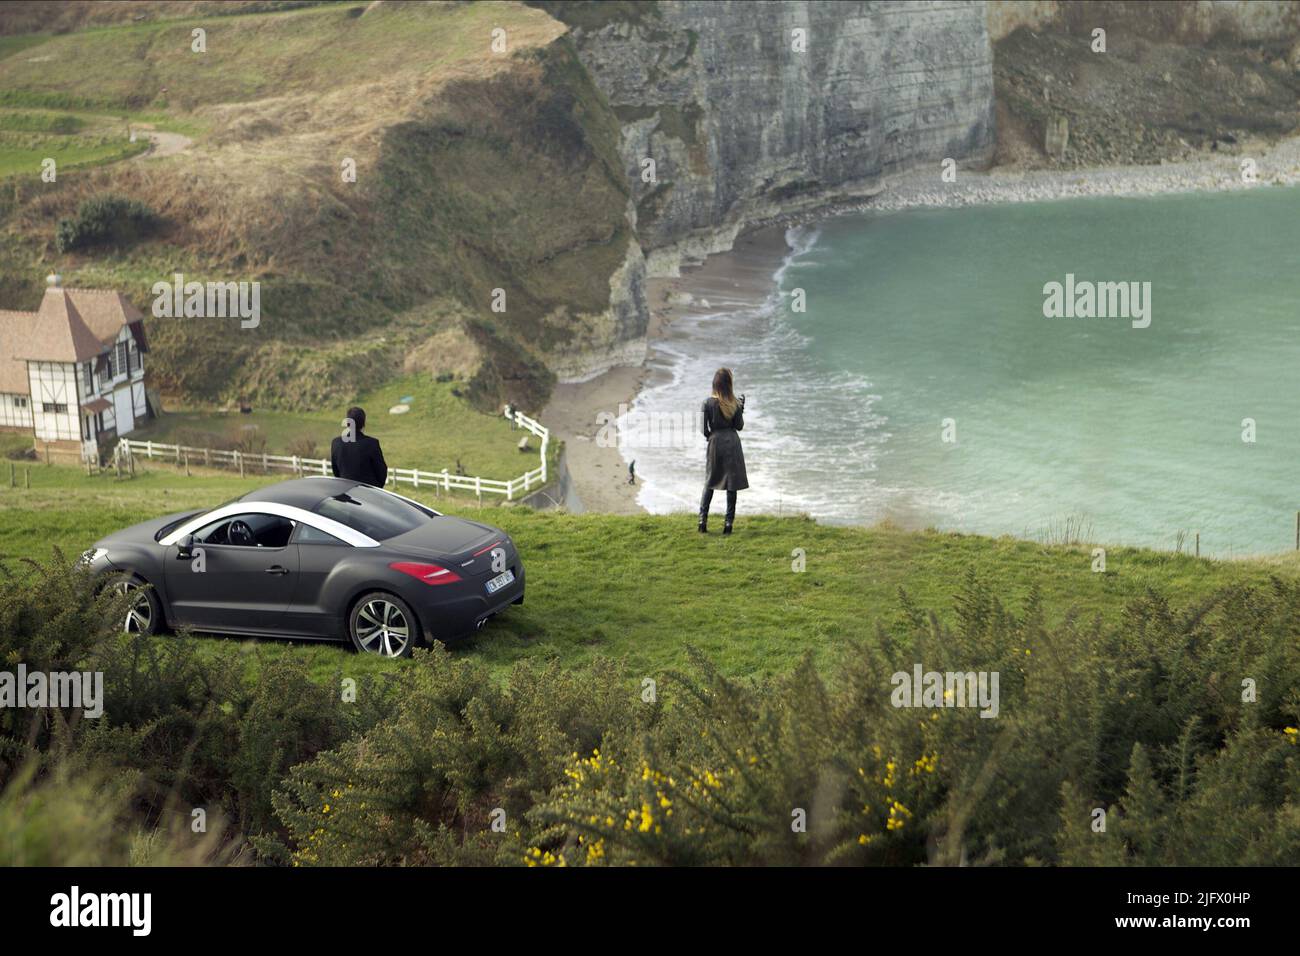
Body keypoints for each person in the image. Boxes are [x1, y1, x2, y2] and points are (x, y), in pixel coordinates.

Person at [699, 367, 748, 534]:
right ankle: (728, 525)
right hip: (732, 444)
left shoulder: (707, 403)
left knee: (710, 482)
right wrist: (740, 409)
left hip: (715, 443)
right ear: (729, 384)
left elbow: (703, 430)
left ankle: (702, 521)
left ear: (715, 384)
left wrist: (711, 438)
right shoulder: (734, 403)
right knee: (731, 485)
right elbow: (739, 427)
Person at [330, 405, 388, 487]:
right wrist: (376, 489)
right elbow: (382, 471)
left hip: (345, 492)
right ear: (363, 423)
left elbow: (336, 472)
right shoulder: (372, 443)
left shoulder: (336, 443)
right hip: (368, 493)